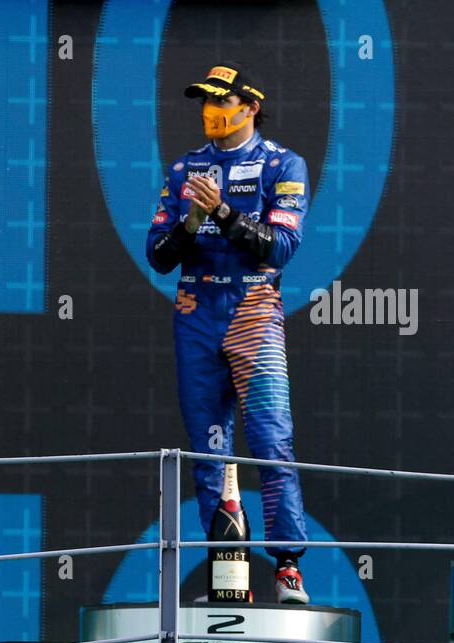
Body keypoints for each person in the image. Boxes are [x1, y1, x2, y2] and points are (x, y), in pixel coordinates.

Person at [146, 61, 311, 605]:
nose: (211, 113)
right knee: (208, 449)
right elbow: (159, 257)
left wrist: (221, 210)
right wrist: (192, 221)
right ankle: (226, 572)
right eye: (204, 103)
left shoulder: (282, 165)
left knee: (270, 440)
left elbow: (281, 248)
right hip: (195, 309)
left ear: (251, 106)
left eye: (221, 102)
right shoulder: (183, 168)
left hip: (253, 310)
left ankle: (288, 566)